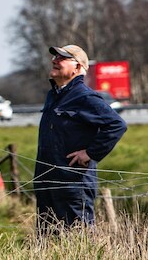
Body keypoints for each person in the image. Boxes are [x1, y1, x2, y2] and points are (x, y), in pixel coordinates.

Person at [34, 44, 127, 233]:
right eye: (54, 57)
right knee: (47, 240)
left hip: (73, 185)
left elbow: (117, 125)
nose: (55, 61)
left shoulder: (85, 97)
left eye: (62, 58)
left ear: (77, 67)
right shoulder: (54, 95)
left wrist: (91, 153)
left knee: (77, 238)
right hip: (47, 183)